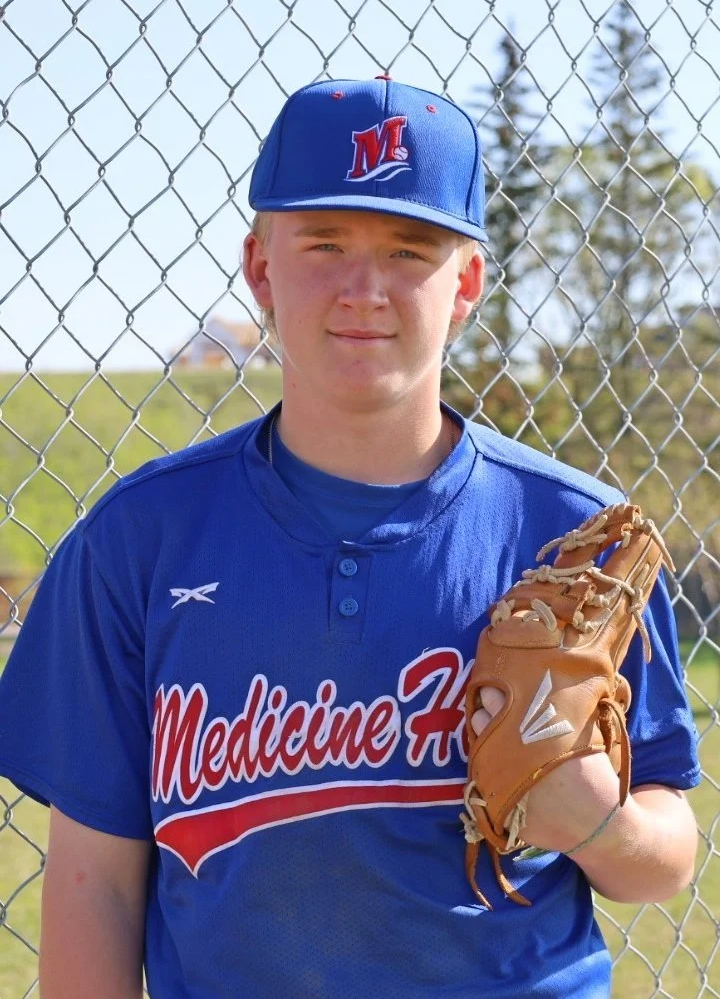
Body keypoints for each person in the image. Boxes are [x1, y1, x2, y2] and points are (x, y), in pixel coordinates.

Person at [0, 76, 699, 999]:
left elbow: (668, 857)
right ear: (259, 267)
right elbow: (94, 883)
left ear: (469, 283)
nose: (364, 289)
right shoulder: (138, 541)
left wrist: (597, 824)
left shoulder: (573, 539)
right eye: (324, 243)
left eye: (411, 250)